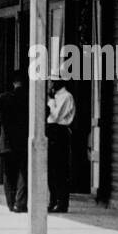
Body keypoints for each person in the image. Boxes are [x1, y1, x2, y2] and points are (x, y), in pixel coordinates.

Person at [0, 77, 29, 211]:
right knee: (23, 173)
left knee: (9, 173)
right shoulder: (29, 98)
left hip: (6, 141)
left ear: (13, 83)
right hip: (23, 141)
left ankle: (11, 203)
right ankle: (20, 203)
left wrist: (0, 128)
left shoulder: (3, 98)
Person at [46, 78, 75, 213]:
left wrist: (51, 102)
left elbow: (55, 116)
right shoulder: (55, 96)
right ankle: (53, 200)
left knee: (60, 169)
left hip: (60, 130)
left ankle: (61, 202)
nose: (51, 84)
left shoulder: (66, 97)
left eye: (53, 82)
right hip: (51, 130)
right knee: (51, 169)